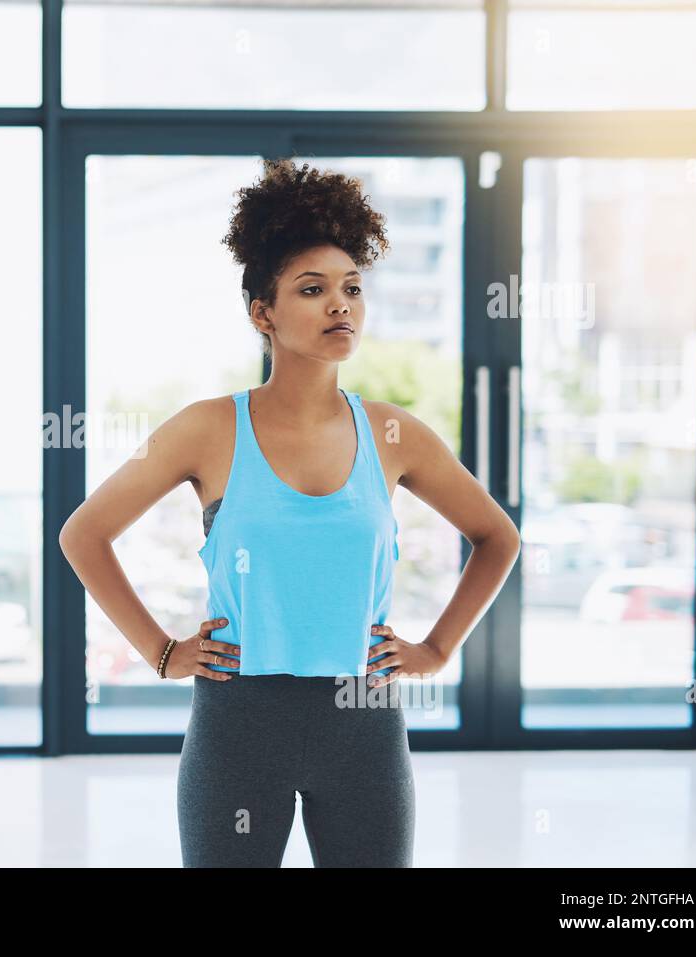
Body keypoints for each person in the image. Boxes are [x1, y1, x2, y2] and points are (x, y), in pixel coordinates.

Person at [58, 159, 521, 867]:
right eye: (313, 289)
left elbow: (497, 536)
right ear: (262, 311)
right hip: (238, 729)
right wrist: (161, 651)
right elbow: (83, 533)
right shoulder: (207, 429)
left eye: (352, 288)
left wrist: (436, 648)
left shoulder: (393, 434)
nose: (341, 305)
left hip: (362, 730)